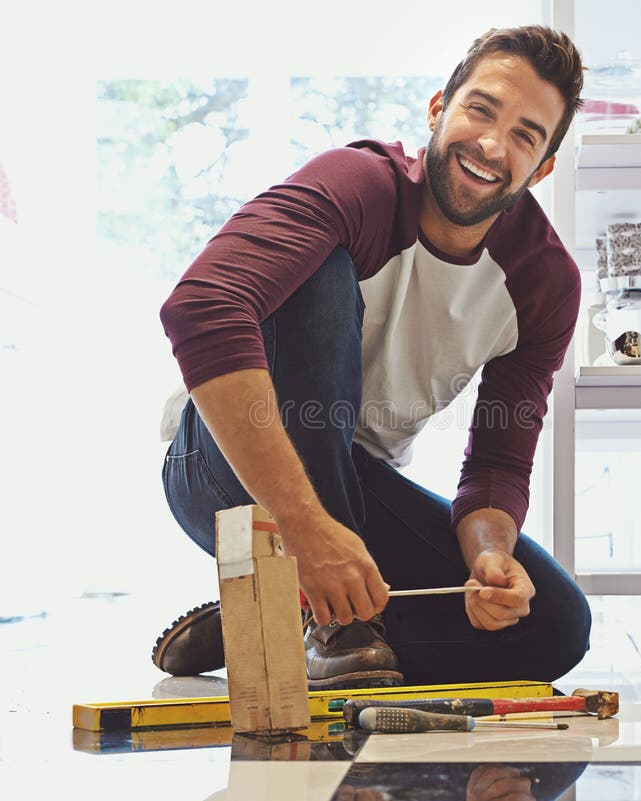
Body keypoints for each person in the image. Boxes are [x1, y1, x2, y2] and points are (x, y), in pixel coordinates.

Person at [154, 24, 592, 689]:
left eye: (527, 136)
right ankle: (321, 612)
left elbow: (499, 463)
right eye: (481, 109)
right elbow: (202, 306)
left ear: (543, 167)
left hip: (355, 492)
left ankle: (278, 614)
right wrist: (306, 535)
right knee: (317, 269)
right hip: (219, 465)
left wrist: (490, 557)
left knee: (553, 624)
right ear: (438, 110)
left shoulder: (542, 282)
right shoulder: (357, 184)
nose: (493, 144)